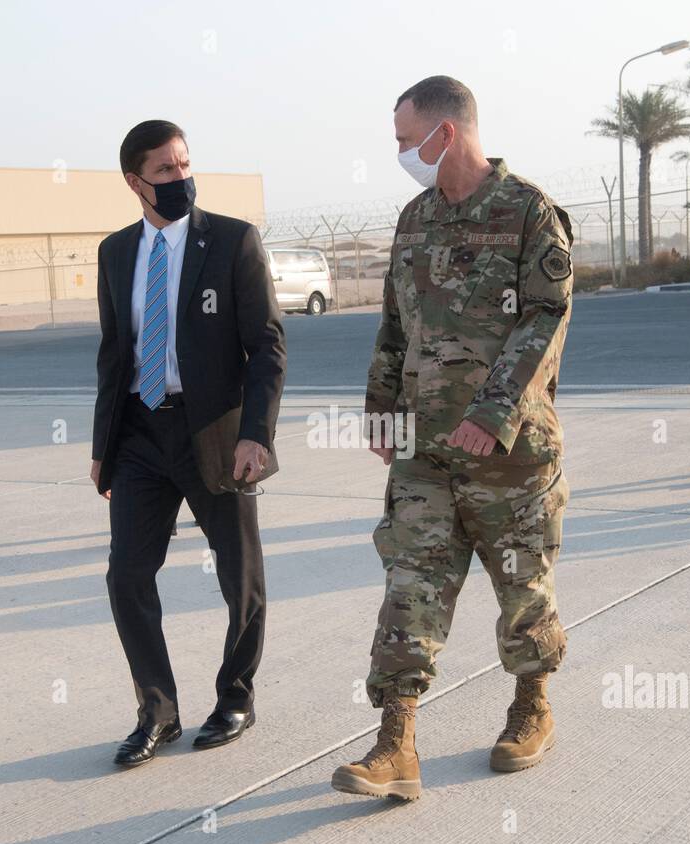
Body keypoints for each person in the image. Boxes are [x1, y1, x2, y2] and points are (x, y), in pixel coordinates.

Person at [331, 76, 575, 801]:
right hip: (423, 450)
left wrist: (492, 411)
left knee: (522, 584)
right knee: (410, 583)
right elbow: (395, 322)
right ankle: (395, 741)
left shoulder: (529, 213)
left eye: (408, 140)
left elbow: (544, 320)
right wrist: (380, 405)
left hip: (509, 450)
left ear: (448, 133)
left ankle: (532, 706)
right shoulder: (414, 218)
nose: (402, 152)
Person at [90, 120, 286, 768]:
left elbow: (266, 346)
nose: (181, 179)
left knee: (242, 578)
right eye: (165, 171)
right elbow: (115, 354)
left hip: (216, 436)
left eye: (184, 165)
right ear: (134, 182)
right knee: (126, 576)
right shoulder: (116, 252)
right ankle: (158, 711)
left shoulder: (231, 241)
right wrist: (103, 444)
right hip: (141, 435)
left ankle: (235, 696)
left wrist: (256, 433)